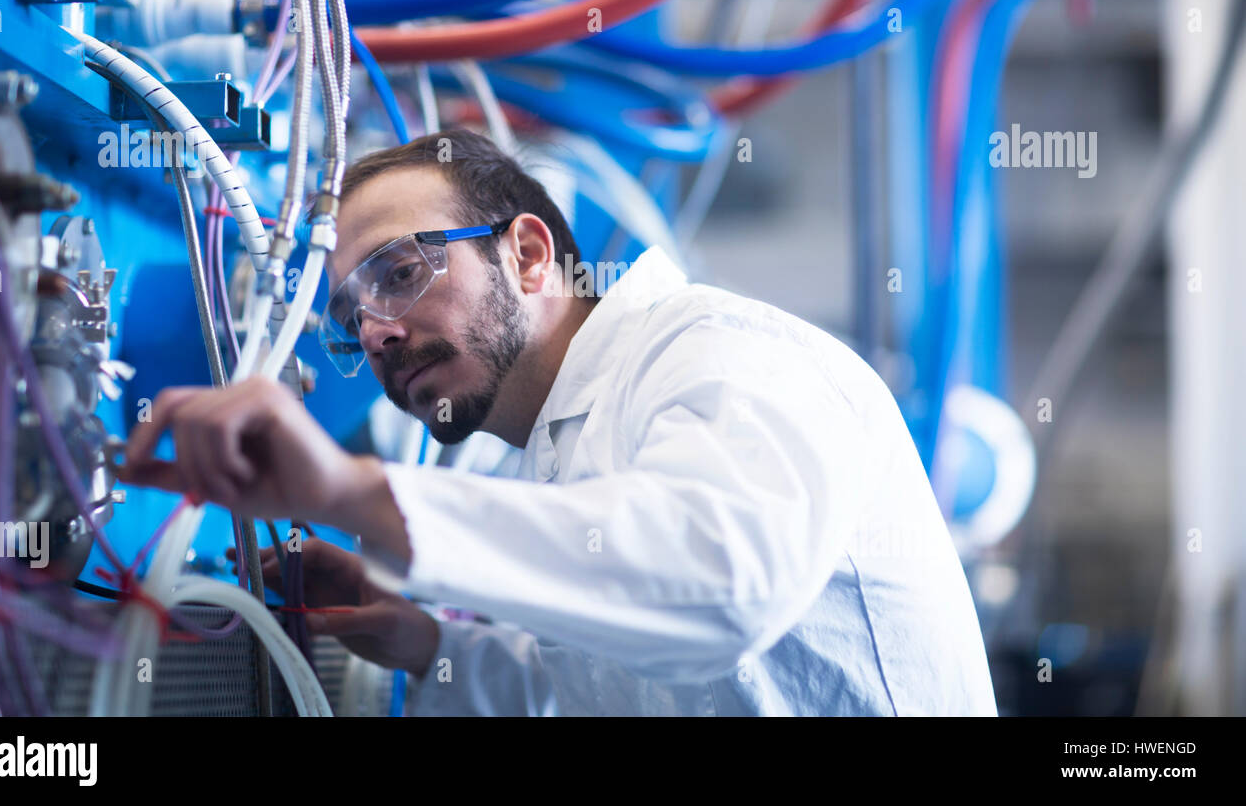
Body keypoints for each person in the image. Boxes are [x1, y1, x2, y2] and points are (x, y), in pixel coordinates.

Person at [114, 127, 998, 716]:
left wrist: (357, 494)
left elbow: (723, 582)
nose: (375, 330)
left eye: (398, 272)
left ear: (529, 254)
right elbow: (597, 690)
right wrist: (426, 642)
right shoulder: (561, 449)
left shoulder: (717, 352)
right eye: (351, 316)